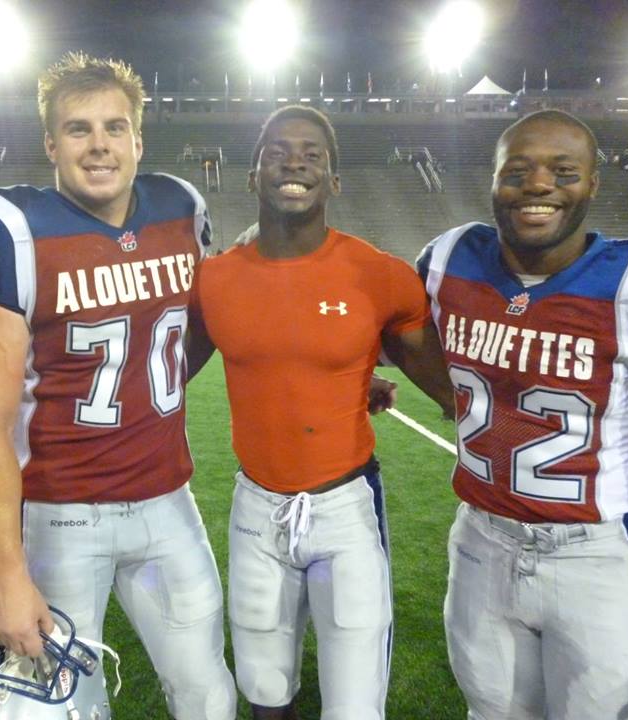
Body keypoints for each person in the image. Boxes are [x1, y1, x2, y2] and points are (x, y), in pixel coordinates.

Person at [0, 52, 236, 719]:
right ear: (51, 143)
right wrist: (4, 563)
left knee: (209, 695)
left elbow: (198, 335)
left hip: (169, 505)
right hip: (62, 515)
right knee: (61, 706)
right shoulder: (11, 231)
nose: (98, 144)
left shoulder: (179, 208)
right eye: (78, 129)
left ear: (138, 139)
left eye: (113, 127)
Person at [187, 105, 455, 720]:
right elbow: (164, 382)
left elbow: (447, 387)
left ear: (334, 181)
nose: (295, 161)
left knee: (355, 702)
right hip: (256, 506)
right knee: (263, 687)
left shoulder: (380, 275)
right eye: (278, 150)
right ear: (251, 174)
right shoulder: (215, 279)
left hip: (346, 506)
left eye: (313, 153)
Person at [417, 109, 628, 720]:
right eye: (518, 171)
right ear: (493, 180)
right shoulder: (449, 259)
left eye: (563, 171)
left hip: (597, 554)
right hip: (480, 539)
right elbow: (380, 326)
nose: (538, 186)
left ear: (593, 183)